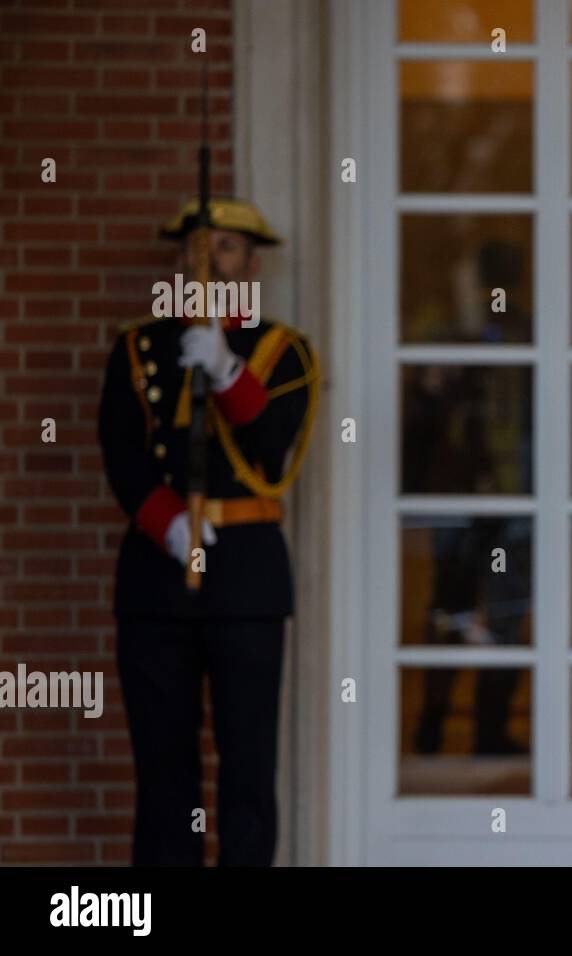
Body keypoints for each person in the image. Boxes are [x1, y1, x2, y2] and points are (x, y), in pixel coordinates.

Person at [97, 197, 319, 865]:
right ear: (177, 261)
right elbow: (121, 450)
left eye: (224, 248)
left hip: (245, 576)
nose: (209, 261)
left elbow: (274, 444)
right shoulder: (139, 346)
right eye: (197, 247)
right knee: (163, 769)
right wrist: (166, 524)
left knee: (247, 766)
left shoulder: (281, 350)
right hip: (157, 577)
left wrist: (226, 371)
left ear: (251, 264)